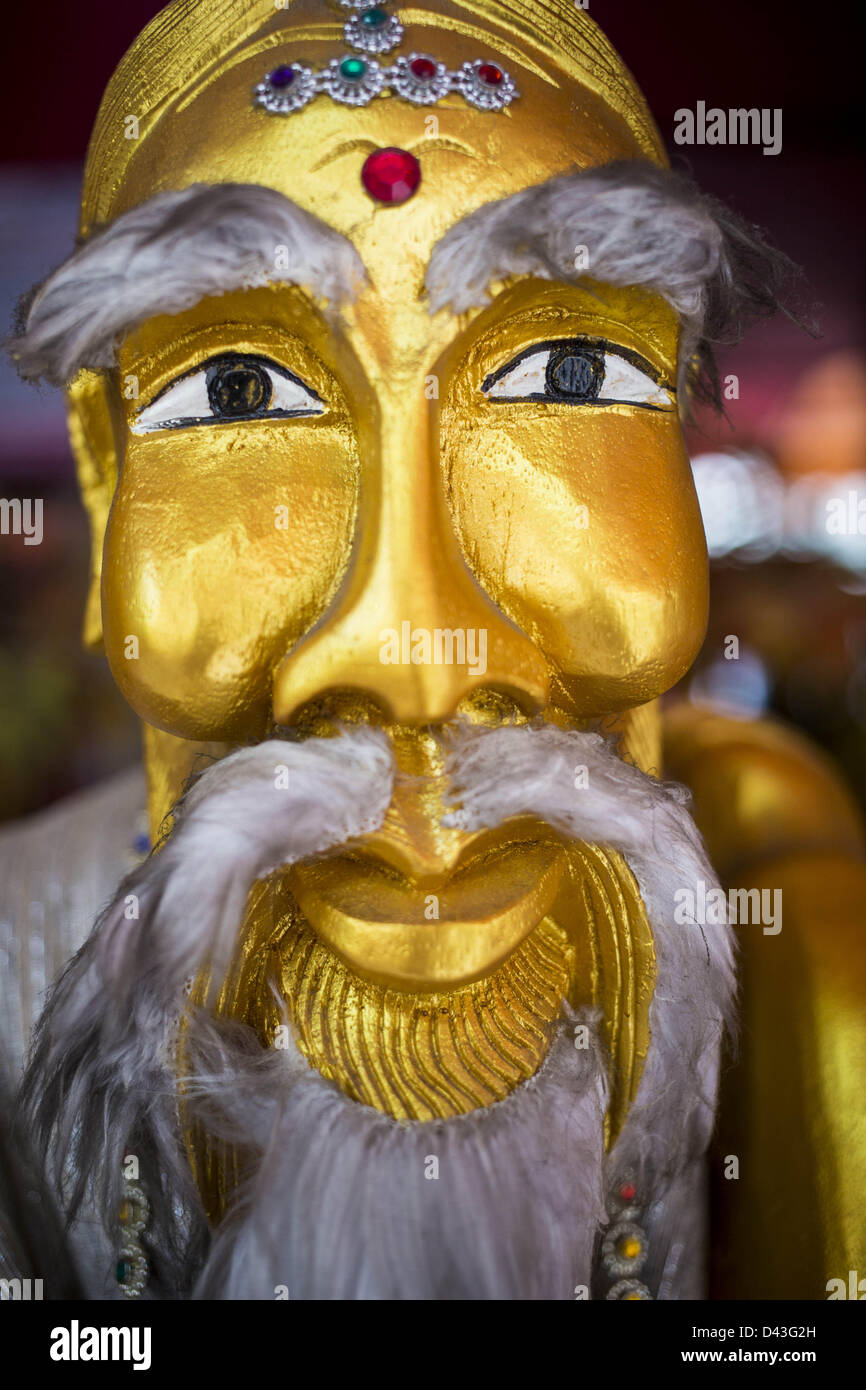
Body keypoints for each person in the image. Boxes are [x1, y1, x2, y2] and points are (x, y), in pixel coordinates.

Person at [2, 0, 863, 1300]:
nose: (412, 656)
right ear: (108, 477)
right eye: (238, 390)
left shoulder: (791, 903)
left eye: (571, 375)